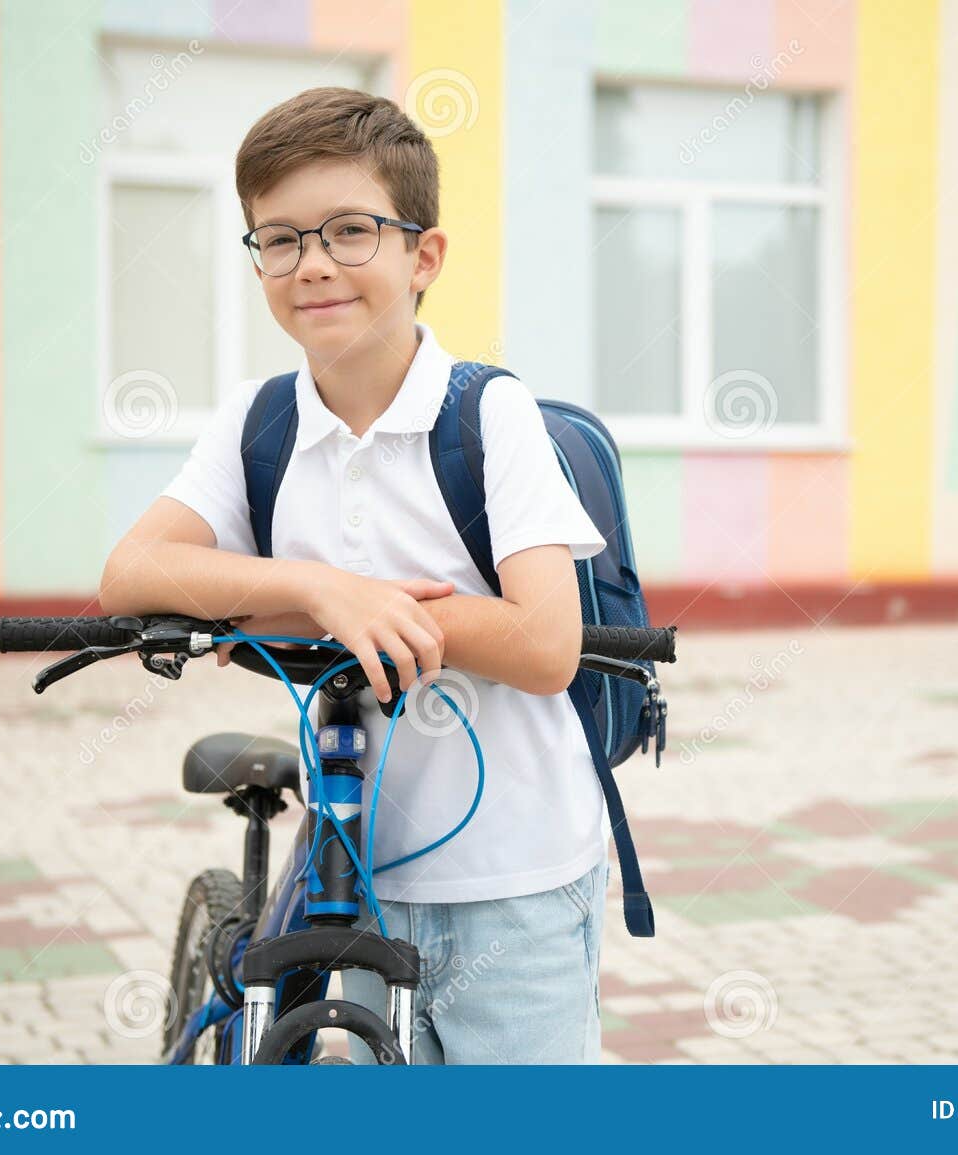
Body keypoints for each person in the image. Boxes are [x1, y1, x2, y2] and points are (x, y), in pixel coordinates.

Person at [99, 87, 611, 1064]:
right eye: (279, 239)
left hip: (511, 878)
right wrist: (325, 588)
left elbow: (547, 647)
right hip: (368, 870)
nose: (314, 263)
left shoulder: (488, 414)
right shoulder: (262, 420)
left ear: (422, 256)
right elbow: (130, 572)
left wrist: (365, 607)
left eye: (349, 230)